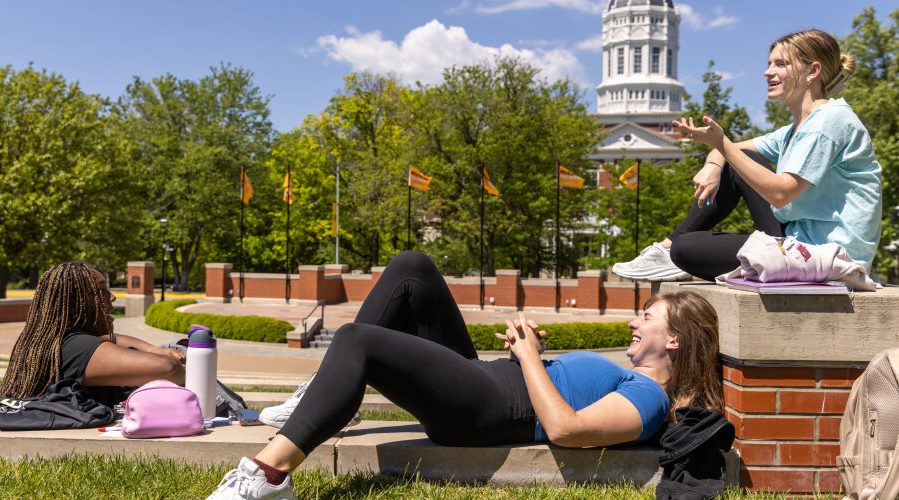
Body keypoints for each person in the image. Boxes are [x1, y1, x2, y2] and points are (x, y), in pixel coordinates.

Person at [208, 251, 723, 499]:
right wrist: (534, 352)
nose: (634, 322)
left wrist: (527, 357)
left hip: (487, 407)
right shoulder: (629, 378)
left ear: (674, 340)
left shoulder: (649, 397)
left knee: (355, 341)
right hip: (488, 381)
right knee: (413, 270)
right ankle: (321, 396)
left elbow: (566, 430)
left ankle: (266, 476)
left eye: (647, 317)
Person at [613, 29, 882, 282]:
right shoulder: (798, 128)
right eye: (769, 63)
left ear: (813, 71)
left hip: (830, 256)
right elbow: (738, 150)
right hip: (800, 241)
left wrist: (721, 144)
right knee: (736, 164)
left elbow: (781, 193)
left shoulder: (829, 121)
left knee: (686, 249)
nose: (767, 72)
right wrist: (714, 161)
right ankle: (667, 251)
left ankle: (673, 253)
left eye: (781, 64)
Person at [0, 262, 185, 408]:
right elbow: (168, 369)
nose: (112, 297)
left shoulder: (56, 339)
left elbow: (112, 337)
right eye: (101, 290)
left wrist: (151, 348)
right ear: (76, 303)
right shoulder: (77, 347)